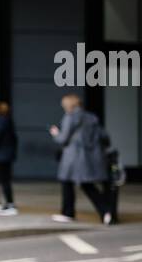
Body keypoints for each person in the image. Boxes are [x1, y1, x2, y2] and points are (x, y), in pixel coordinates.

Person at [49, 94, 114, 225]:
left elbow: (63, 139)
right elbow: (105, 137)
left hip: (73, 157)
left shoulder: (70, 117)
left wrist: (56, 133)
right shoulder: (92, 117)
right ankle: (105, 211)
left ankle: (68, 213)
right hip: (90, 157)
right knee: (87, 185)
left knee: (67, 183)